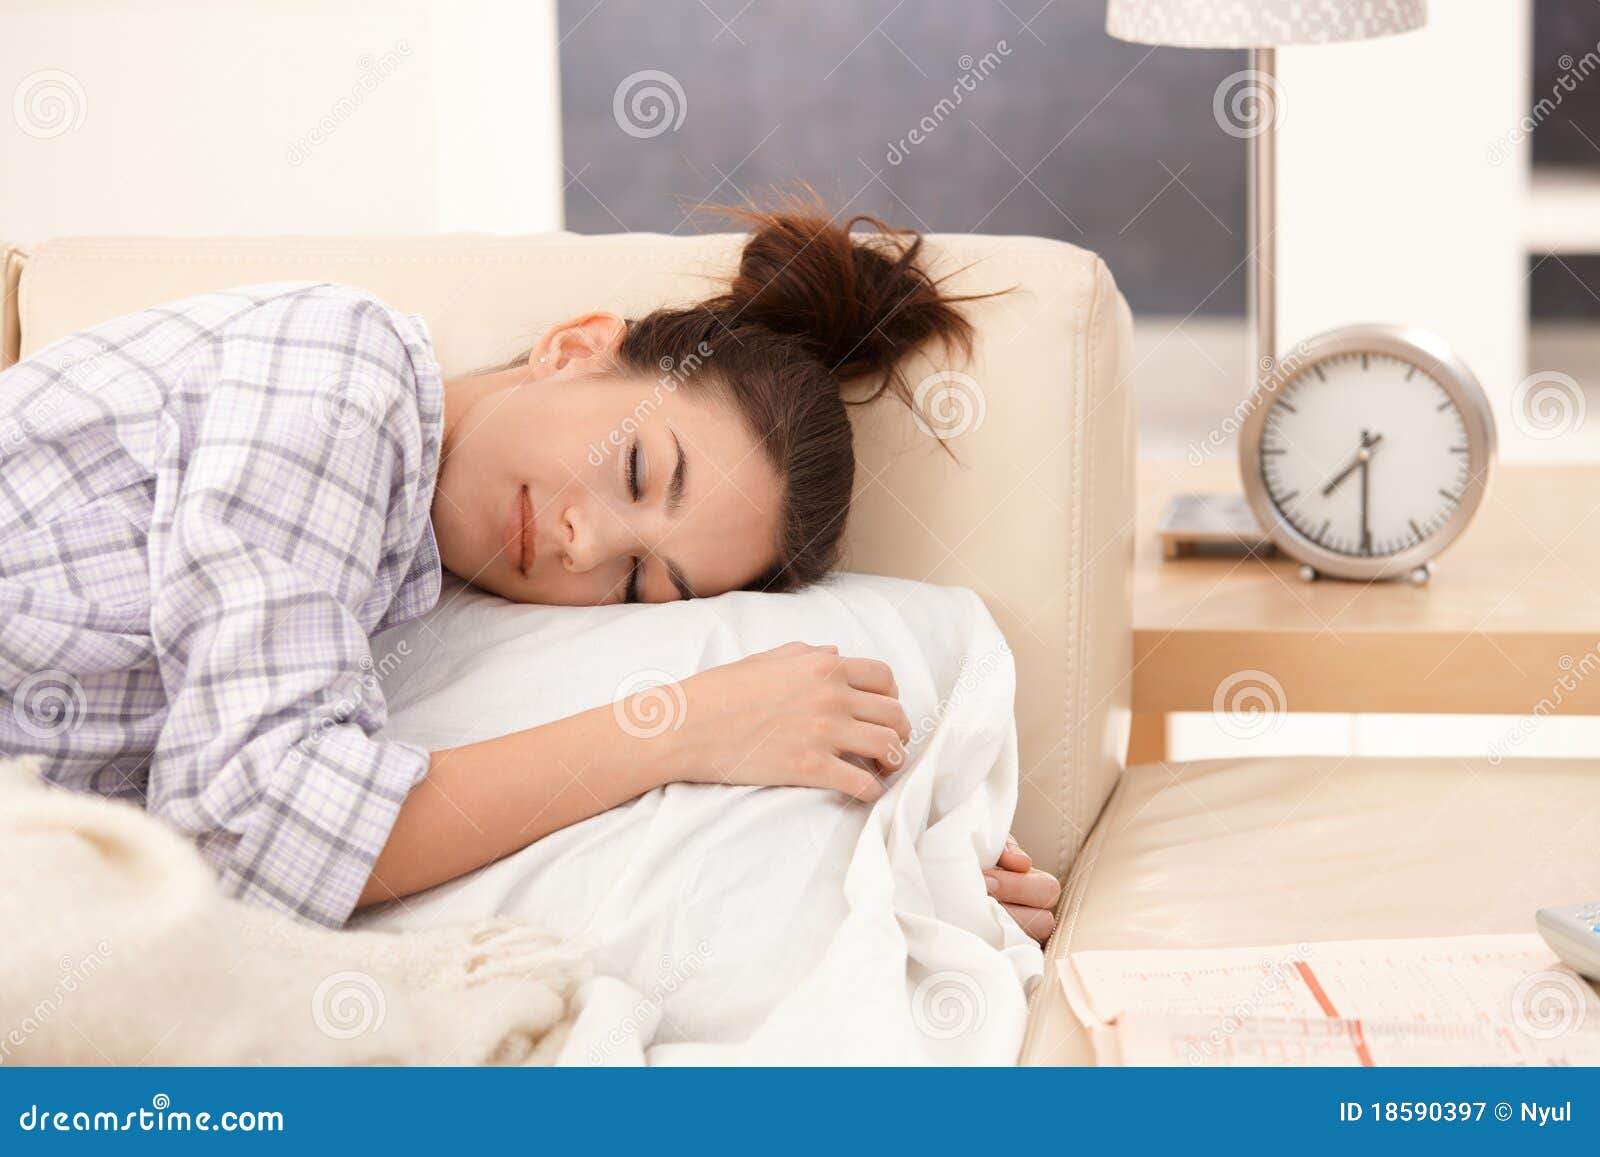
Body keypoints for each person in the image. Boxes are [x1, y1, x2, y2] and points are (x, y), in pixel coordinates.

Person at [0, 198, 1060, 940]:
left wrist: (877, 877)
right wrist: (685, 721)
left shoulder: (408, 576)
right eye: (637, 465)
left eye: (644, 583)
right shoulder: (342, 371)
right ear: (575, 346)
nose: (586, 545)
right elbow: (259, 826)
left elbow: (457, 801)